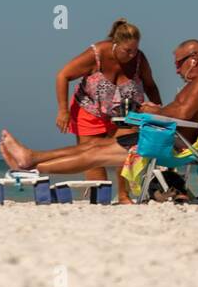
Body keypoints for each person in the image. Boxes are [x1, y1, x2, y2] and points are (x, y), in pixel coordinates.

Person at [0, 40, 198, 196]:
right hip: (164, 137)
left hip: (168, 143)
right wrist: (153, 110)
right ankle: (32, 157)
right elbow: (181, 111)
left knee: (95, 154)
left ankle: (33, 168)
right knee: (93, 146)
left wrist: (150, 112)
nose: (176, 70)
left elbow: (182, 114)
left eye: (178, 63)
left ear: (193, 59)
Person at [54, 19, 162, 202]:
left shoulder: (139, 59)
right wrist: (63, 111)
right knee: (91, 157)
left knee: (123, 150)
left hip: (125, 113)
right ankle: (99, 198)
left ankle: (123, 194)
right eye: (127, 50)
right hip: (89, 110)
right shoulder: (96, 54)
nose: (132, 54)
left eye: (135, 49)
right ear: (115, 44)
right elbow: (62, 75)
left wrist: (160, 111)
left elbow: (150, 85)